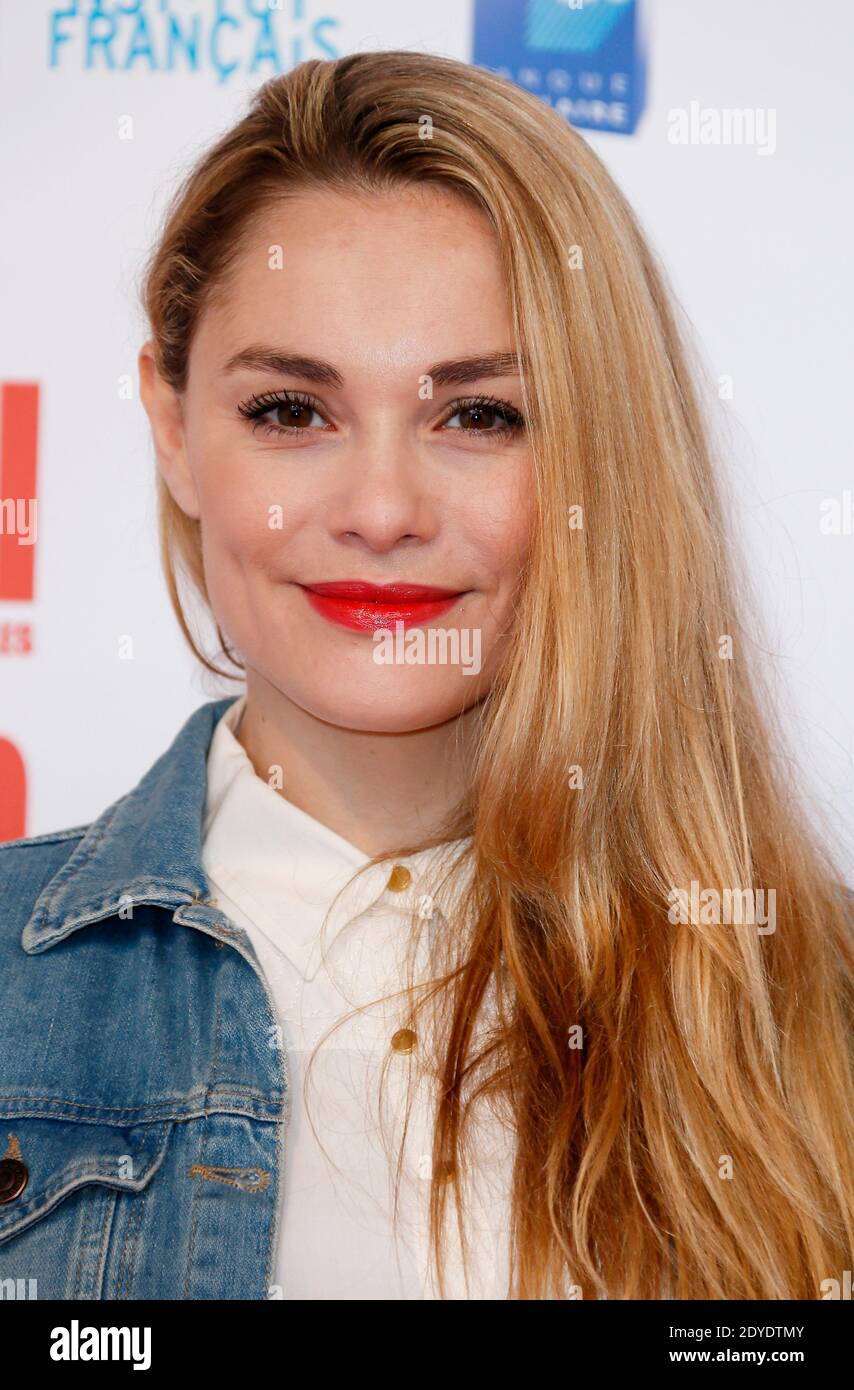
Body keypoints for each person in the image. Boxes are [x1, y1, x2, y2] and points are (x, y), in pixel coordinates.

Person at [0, 50, 852, 1302]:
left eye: (477, 414)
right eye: (292, 409)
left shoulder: (815, 1009)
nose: (383, 508)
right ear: (174, 426)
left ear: (590, 453)